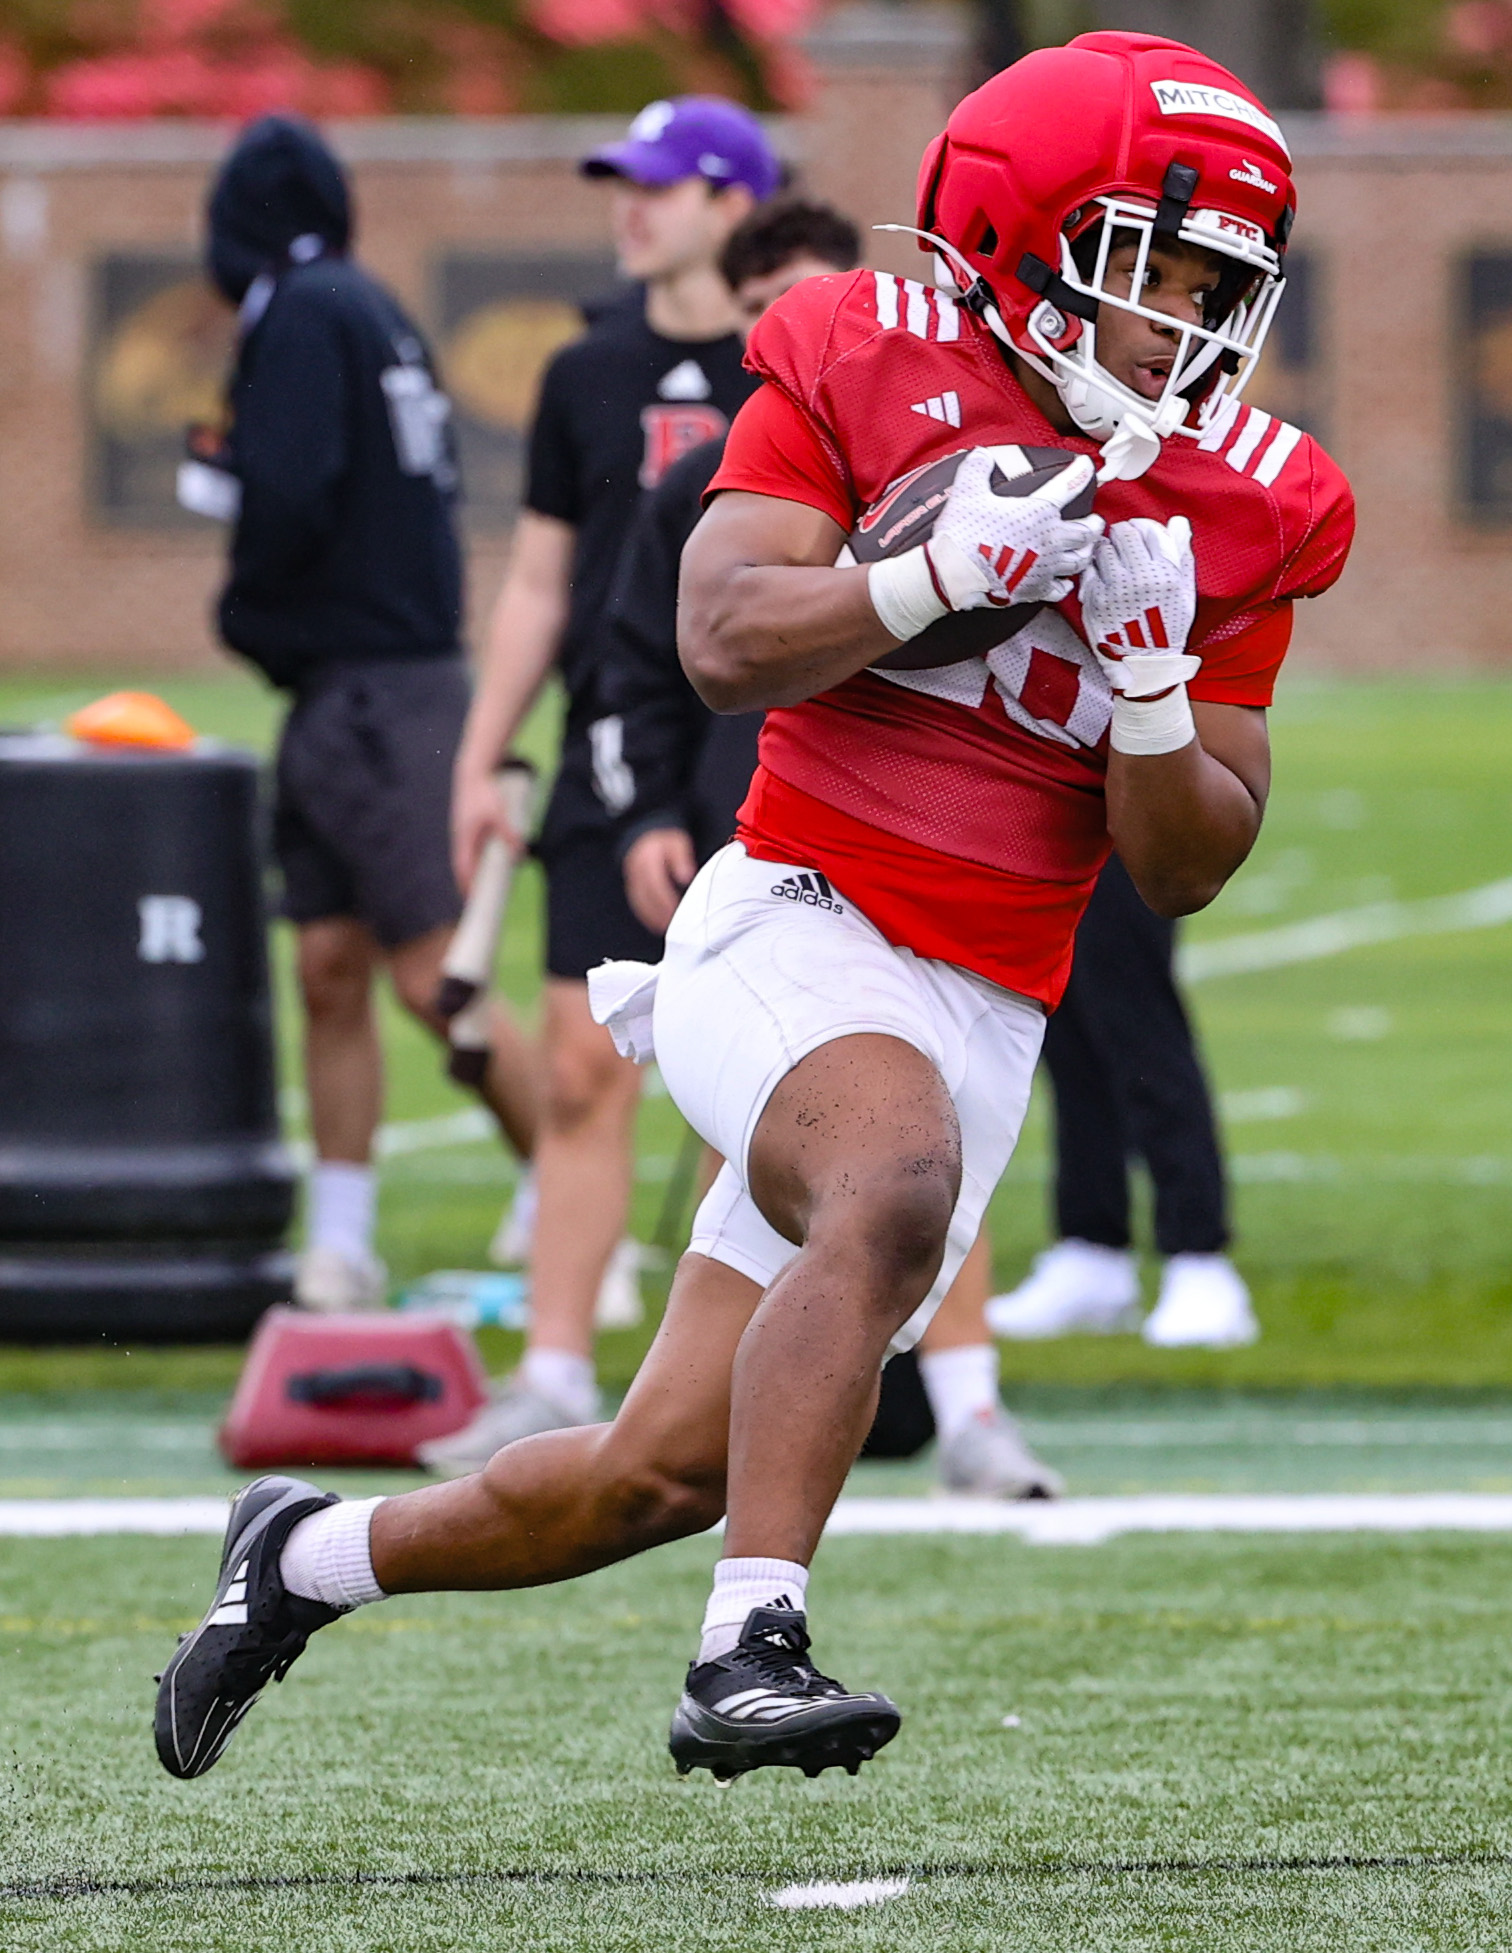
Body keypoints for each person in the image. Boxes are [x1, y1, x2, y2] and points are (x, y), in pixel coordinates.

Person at [155, 33, 1354, 1790]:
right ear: (1017, 242)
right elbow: (720, 634)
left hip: (986, 1001)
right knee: (892, 1173)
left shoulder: (1256, 496)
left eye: (1212, 283)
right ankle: (751, 1643)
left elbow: (1180, 863)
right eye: (1144, 269)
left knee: (651, 1470)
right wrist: (927, 574)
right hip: (790, 917)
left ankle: (301, 1554)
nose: (1180, 321)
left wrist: (1153, 683)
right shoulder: (857, 348)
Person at [590, 196, 1062, 1500]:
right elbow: (657, 652)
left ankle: (964, 1402)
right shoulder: (712, 474)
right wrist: (647, 809)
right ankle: (755, 1621)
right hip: (776, 852)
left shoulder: (991, 449)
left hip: (925, 855)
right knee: (884, 1141)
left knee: (655, 1475)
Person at [447, 97, 781, 1444]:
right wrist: (480, 755)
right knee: (586, 1068)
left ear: (735, 202)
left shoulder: (789, 369)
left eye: (664, 184)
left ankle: (719, 1383)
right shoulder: (584, 372)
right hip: (608, 749)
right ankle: (555, 1372)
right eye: (621, 184)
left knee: (742, 1077)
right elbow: (539, 583)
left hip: (755, 756)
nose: (631, 206)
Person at [198, 115, 536, 1312]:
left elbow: (289, 490)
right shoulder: (367, 304)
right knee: (330, 963)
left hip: (381, 687)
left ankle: (564, 1188)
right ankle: (340, 1241)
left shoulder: (299, 312)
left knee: (434, 974)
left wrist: (246, 607)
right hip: (361, 679)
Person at [987, 851, 1257, 1347]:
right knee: (1064, 1016)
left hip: (1133, 802)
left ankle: (1198, 1257)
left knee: (1135, 1012)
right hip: (1051, 794)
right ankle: (1094, 1247)